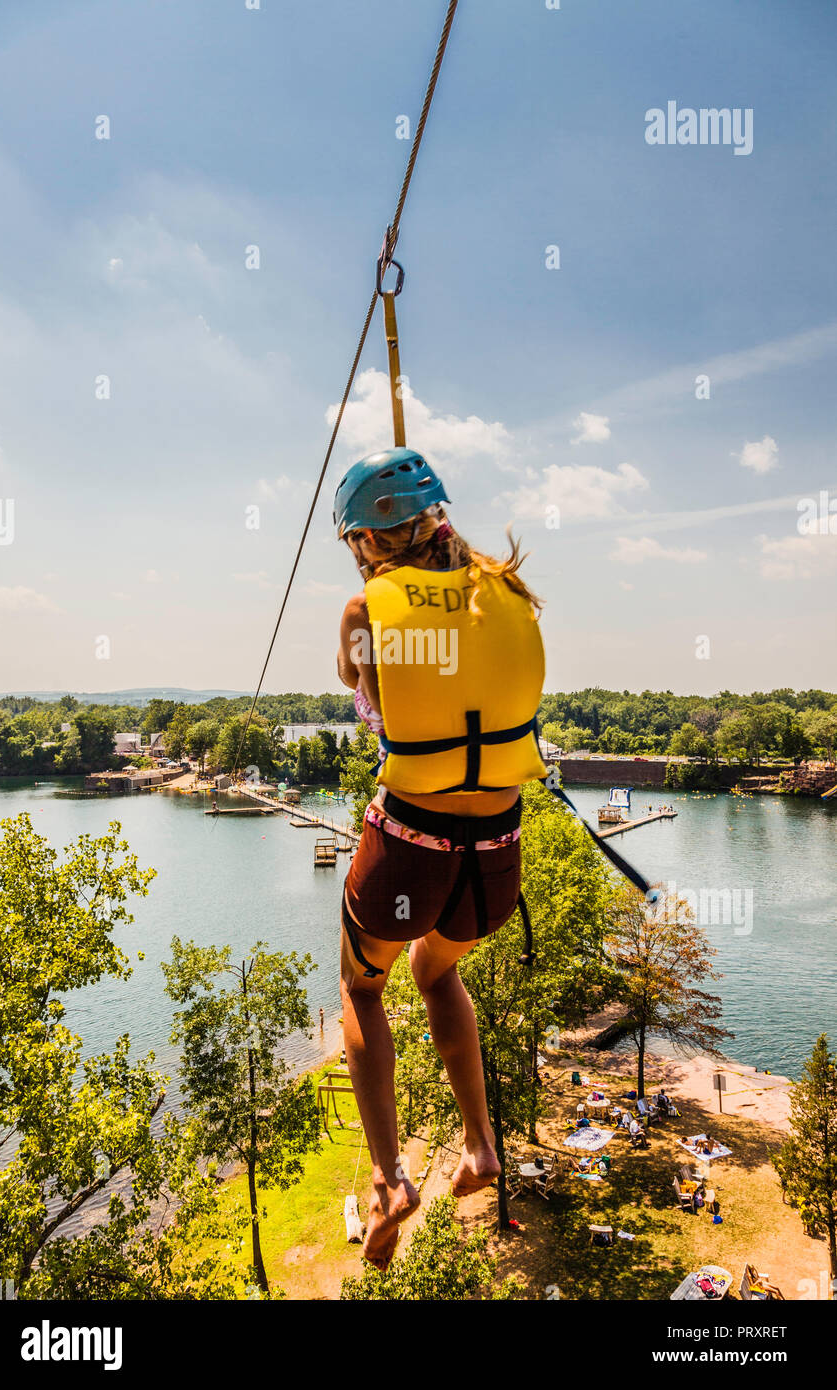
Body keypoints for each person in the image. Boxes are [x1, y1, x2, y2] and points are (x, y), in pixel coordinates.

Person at [334, 448, 547, 1269]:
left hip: (409, 849)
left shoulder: (363, 607)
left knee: (363, 986)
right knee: (437, 973)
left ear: (367, 540)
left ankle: (389, 1181)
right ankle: (479, 1142)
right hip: (497, 856)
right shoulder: (514, 595)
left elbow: (371, 707)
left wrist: (389, 620)